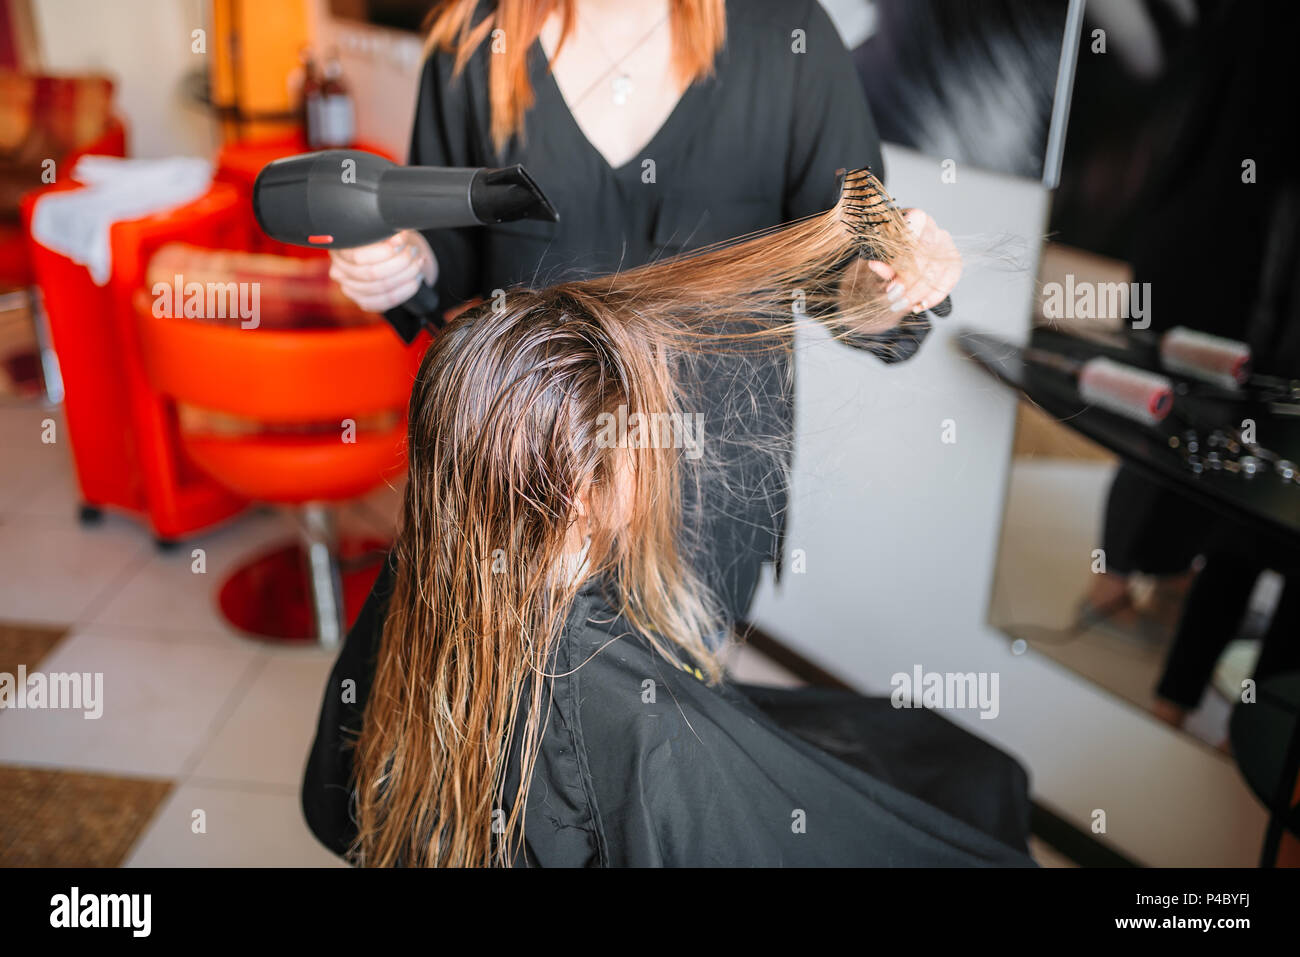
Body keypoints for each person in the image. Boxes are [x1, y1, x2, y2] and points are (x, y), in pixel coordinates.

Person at [303, 182, 1032, 866]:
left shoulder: (425, 568)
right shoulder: (641, 729)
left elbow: (331, 805)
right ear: (587, 496)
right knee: (977, 777)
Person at [328, 0, 961, 623]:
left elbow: (843, 281)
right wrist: (403, 261)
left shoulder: (788, 35)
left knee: (673, 717)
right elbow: (449, 256)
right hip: (524, 483)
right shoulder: (473, 41)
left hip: (708, 491)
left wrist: (888, 287)